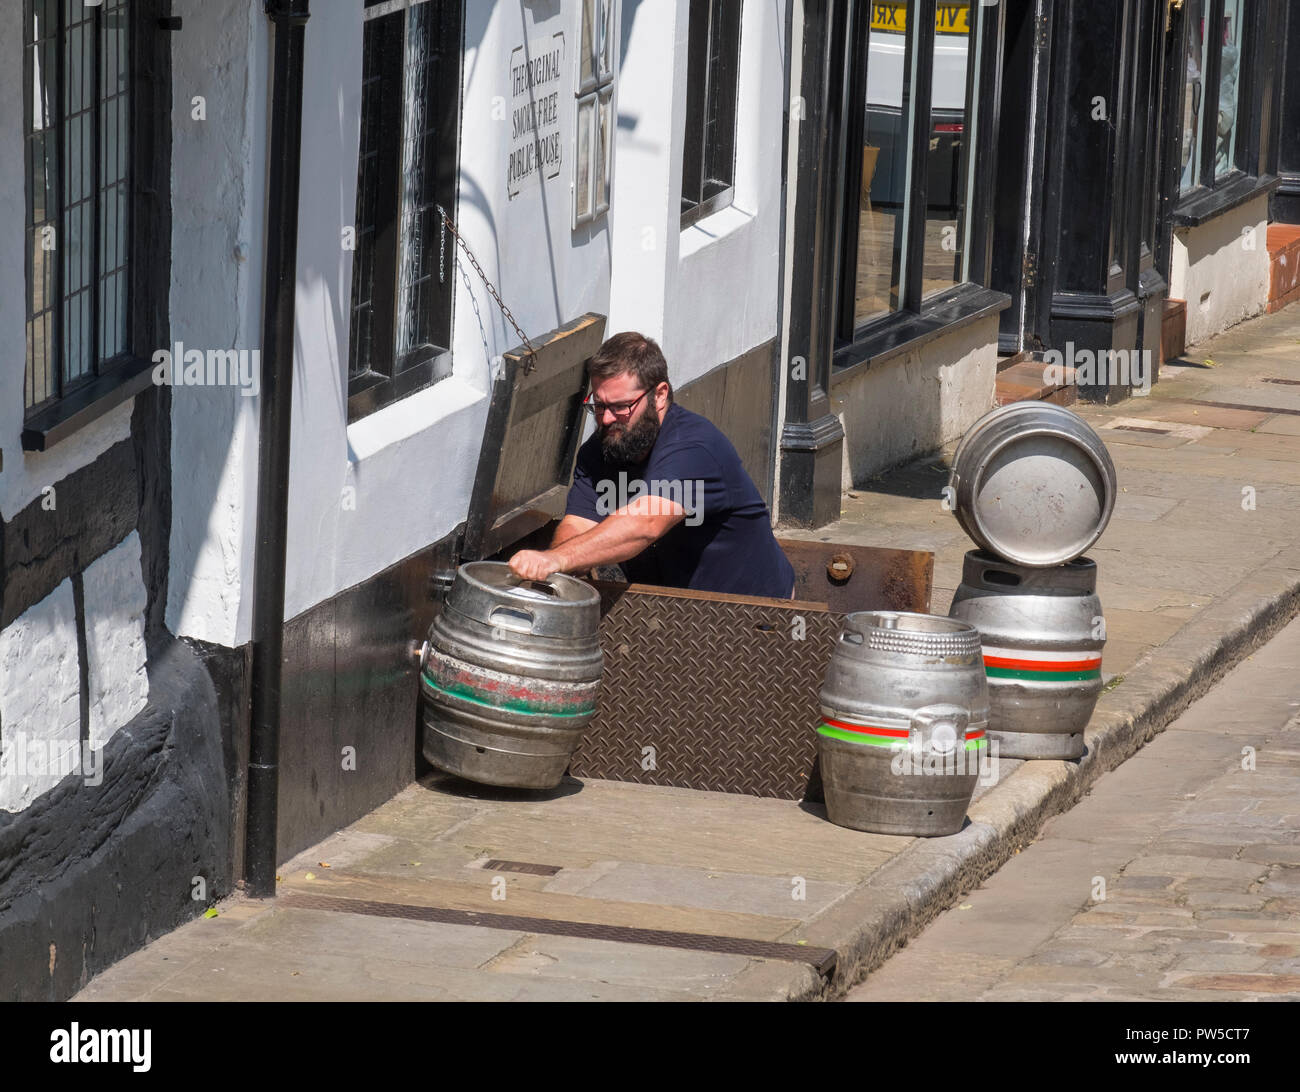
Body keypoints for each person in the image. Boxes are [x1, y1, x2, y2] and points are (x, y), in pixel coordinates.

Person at [509, 331, 796, 599]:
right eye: (599, 406)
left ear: (659, 395)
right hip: (665, 611)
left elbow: (645, 523)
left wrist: (556, 559)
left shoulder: (693, 447)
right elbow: (577, 525)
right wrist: (556, 566)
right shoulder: (599, 451)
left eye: (620, 407)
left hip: (752, 613)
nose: (606, 419)